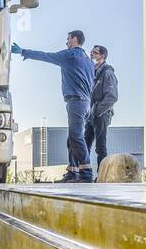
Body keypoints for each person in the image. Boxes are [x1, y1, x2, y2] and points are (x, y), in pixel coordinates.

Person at [12, 30, 95, 182]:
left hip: (76, 101)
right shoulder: (88, 60)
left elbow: (46, 56)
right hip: (85, 103)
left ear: (74, 40)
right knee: (72, 138)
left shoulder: (71, 55)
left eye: (68, 39)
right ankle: (73, 172)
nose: (66, 42)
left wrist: (23, 51)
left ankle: (86, 173)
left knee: (76, 137)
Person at [85, 44, 118, 175]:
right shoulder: (92, 73)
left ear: (102, 56)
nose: (91, 54)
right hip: (91, 115)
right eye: (91, 52)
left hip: (101, 114)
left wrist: (97, 110)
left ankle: (101, 176)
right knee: (84, 144)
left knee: (100, 147)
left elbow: (112, 96)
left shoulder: (108, 73)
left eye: (95, 53)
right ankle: (84, 174)